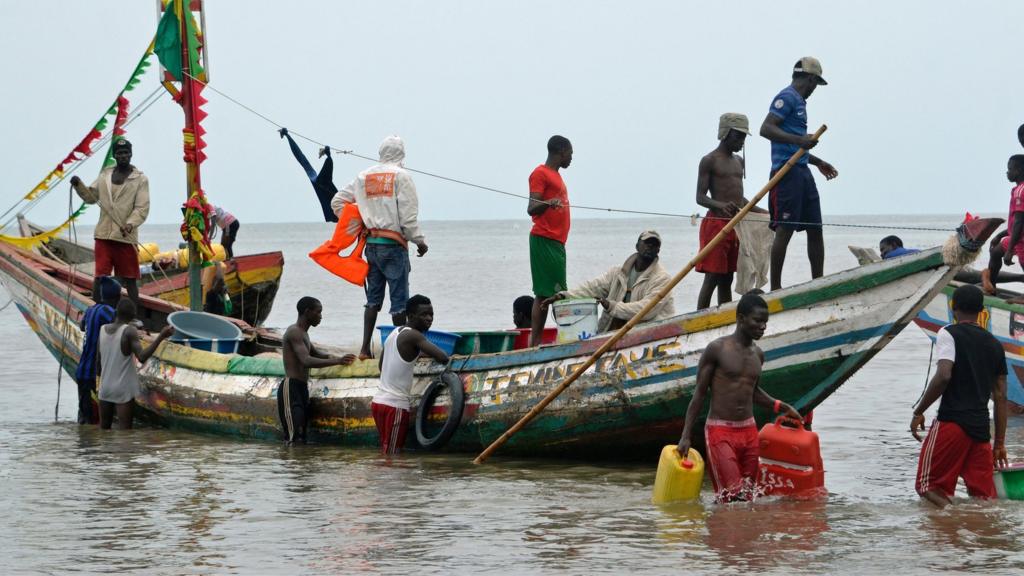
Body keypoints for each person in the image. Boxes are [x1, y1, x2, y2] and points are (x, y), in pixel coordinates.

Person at [676, 292, 800, 502]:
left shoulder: (758, 355)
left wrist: (782, 406)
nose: (763, 327)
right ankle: (719, 532)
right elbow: (699, 394)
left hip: (750, 432)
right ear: (741, 319)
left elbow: (753, 392)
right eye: (758, 321)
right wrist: (685, 435)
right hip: (720, 432)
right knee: (731, 496)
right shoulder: (717, 349)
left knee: (749, 496)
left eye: (765, 322)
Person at [330, 136, 428, 360]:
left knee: (373, 299)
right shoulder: (402, 177)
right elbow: (408, 216)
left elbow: (337, 202)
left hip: (372, 244)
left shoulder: (364, 176)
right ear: (401, 155)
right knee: (399, 302)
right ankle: (400, 350)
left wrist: (360, 221)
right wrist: (419, 241)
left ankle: (365, 349)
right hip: (394, 245)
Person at [911, 284, 1008, 507]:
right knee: (984, 497)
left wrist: (919, 411)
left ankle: (954, 521)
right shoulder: (995, 344)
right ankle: (979, 533)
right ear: (982, 311)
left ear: (953, 307)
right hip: (981, 430)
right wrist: (1000, 443)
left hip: (952, 423)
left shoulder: (948, 333)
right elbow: (1001, 395)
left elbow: (944, 375)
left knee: (928, 486)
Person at [759, 57, 839, 291]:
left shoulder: (801, 103)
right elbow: (766, 128)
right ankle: (776, 288)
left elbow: (797, 145)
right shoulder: (787, 97)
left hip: (802, 170)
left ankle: (818, 283)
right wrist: (799, 140)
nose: (814, 90)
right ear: (810, 79)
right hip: (786, 173)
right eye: (815, 84)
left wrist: (817, 161)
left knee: (815, 227)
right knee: (785, 228)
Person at [695, 113, 769, 309]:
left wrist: (763, 212)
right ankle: (698, 318)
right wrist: (721, 206)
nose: (742, 142)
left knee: (727, 277)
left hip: (737, 226)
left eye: (744, 137)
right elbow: (700, 197)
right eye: (738, 136)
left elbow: (740, 199)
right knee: (712, 277)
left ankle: (725, 318)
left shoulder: (738, 161)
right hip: (716, 225)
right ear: (726, 134)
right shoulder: (709, 160)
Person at [544, 231, 675, 333]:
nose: (650, 246)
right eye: (647, 242)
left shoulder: (662, 279)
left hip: (648, 335)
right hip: (615, 334)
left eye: (655, 245)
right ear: (637, 246)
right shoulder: (617, 273)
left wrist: (611, 306)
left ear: (658, 251)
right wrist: (563, 295)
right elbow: (592, 288)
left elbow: (646, 309)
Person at [70, 138, 149, 303]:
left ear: (131, 154)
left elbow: (142, 208)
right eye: (119, 153)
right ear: (115, 155)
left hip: (125, 236)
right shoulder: (105, 175)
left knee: (130, 279)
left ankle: (132, 315)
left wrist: (130, 224)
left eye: (126, 153)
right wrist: (78, 185)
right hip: (103, 235)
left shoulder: (140, 179)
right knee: (100, 277)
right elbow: (91, 197)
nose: (123, 156)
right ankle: (96, 308)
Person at [373, 294, 450, 455]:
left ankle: (382, 479)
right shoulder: (415, 335)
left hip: (379, 402)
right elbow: (443, 357)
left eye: (431, 315)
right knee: (392, 455)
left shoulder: (394, 334)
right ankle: (387, 479)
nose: (429, 319)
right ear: (411, 316)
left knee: (386, 450)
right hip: (395, 405)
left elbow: (382, 366)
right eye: (424, 315)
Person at [280, 297, 356, 444]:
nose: (321, 316)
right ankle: (290, 464)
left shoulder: (304, 333)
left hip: (302, 388)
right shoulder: (294, 332)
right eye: (318, 312)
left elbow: (316, 354)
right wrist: (337, 361)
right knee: (293, 438)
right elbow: (306, 360)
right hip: (291, 389)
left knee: (302, 437)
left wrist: (337, 357)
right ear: (307, 312)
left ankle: (300, 465)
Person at [96, 299, 175, 430]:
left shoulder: (102, 330)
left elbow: (98, 363)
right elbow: (142, 357)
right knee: (125, 436)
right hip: (122, 390)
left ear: (117, 311)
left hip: (105, 388)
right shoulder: (129, 331)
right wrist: (161, 336)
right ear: (133, 316)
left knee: (104, 432)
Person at [528, 135, 573, 346]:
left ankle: (552, 339)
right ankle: (536, 342)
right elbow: (531, 207)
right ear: (561, 151)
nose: (571, 158)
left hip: (556, 242)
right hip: (544, 239)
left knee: (551, 292)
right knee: (549, 292)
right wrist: (548, 202)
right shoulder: (540, 173)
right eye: (570, 153)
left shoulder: (555, 175)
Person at [74, 276, 120, 424]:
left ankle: (85, 440)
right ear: (116, 297)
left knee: (84, 412)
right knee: (97, 415)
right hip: (94, 372)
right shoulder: (108, 311)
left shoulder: (91, 310)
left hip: (82, 370)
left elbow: (82, 327)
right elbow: (118, 325)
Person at [982, 155, 1024, 297]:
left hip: (1021, 240)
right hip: (1015, 236)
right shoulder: (1017, 189)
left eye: (1009, 169)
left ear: (1018, 171)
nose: (1007, 172)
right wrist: (999, 236)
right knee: (995, 252)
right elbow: (1015, 224)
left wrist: (1010, 250)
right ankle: (991, 288)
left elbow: (1019, 222)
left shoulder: (1021, 191)